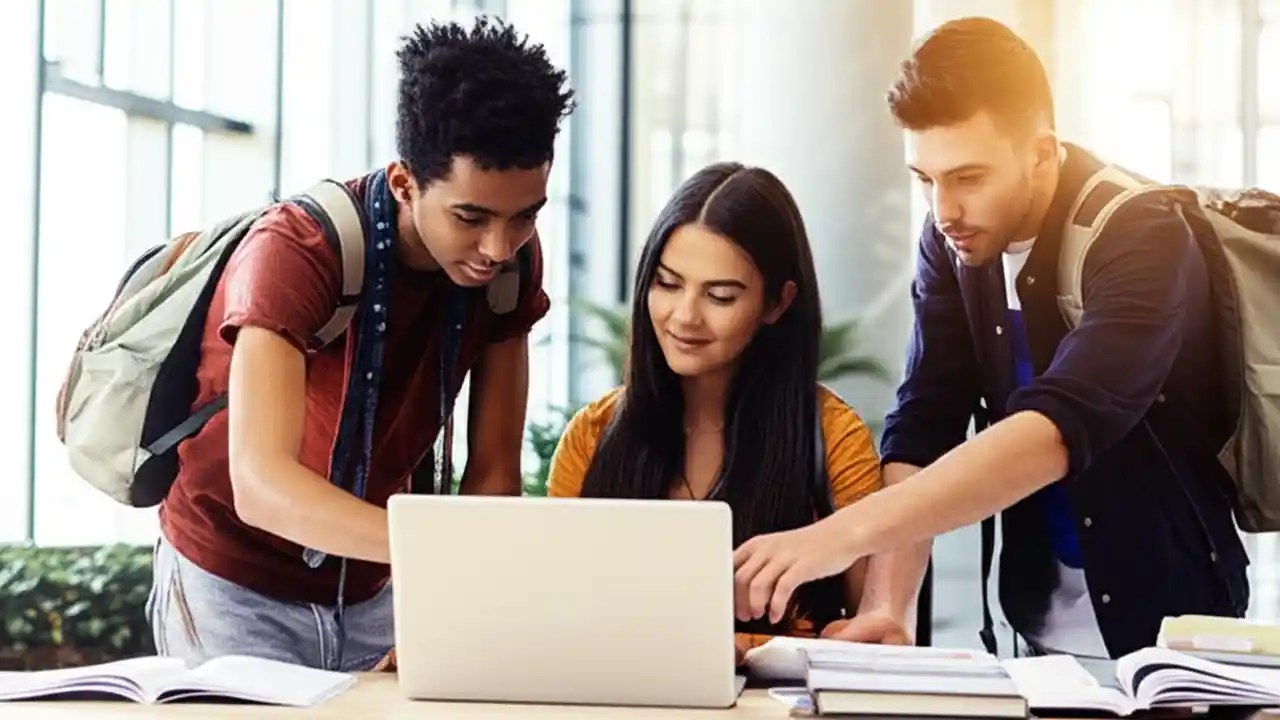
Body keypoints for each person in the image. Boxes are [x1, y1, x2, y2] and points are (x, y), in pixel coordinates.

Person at [731, 16, 1249, 659]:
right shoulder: (950, 244)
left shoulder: (1142, 233)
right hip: (1034, 635)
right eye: (926, 179)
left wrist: (836, 538)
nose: (943, 209)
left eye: (967, 178)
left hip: (1178, 637)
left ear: (1040, 151)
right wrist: (886, 605)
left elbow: (1058, 426)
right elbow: (926, 419)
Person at [147, 17, 574, 671]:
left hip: (380, 585)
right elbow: (260, 484)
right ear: (405, 183)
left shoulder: (510, 266)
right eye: (470, 217)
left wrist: (448, 607)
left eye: (525, 215)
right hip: (233, 582)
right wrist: (437, 550)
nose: (497, 246)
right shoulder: (297, 250)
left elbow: (492, 474)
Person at [548, 162, 917, 665]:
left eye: (720, 296)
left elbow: (871, 638)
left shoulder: (829, 438)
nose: (684, 316)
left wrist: (746, 651)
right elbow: (556, 616)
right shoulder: (591, 437)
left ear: (777, 303)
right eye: (667, 283)